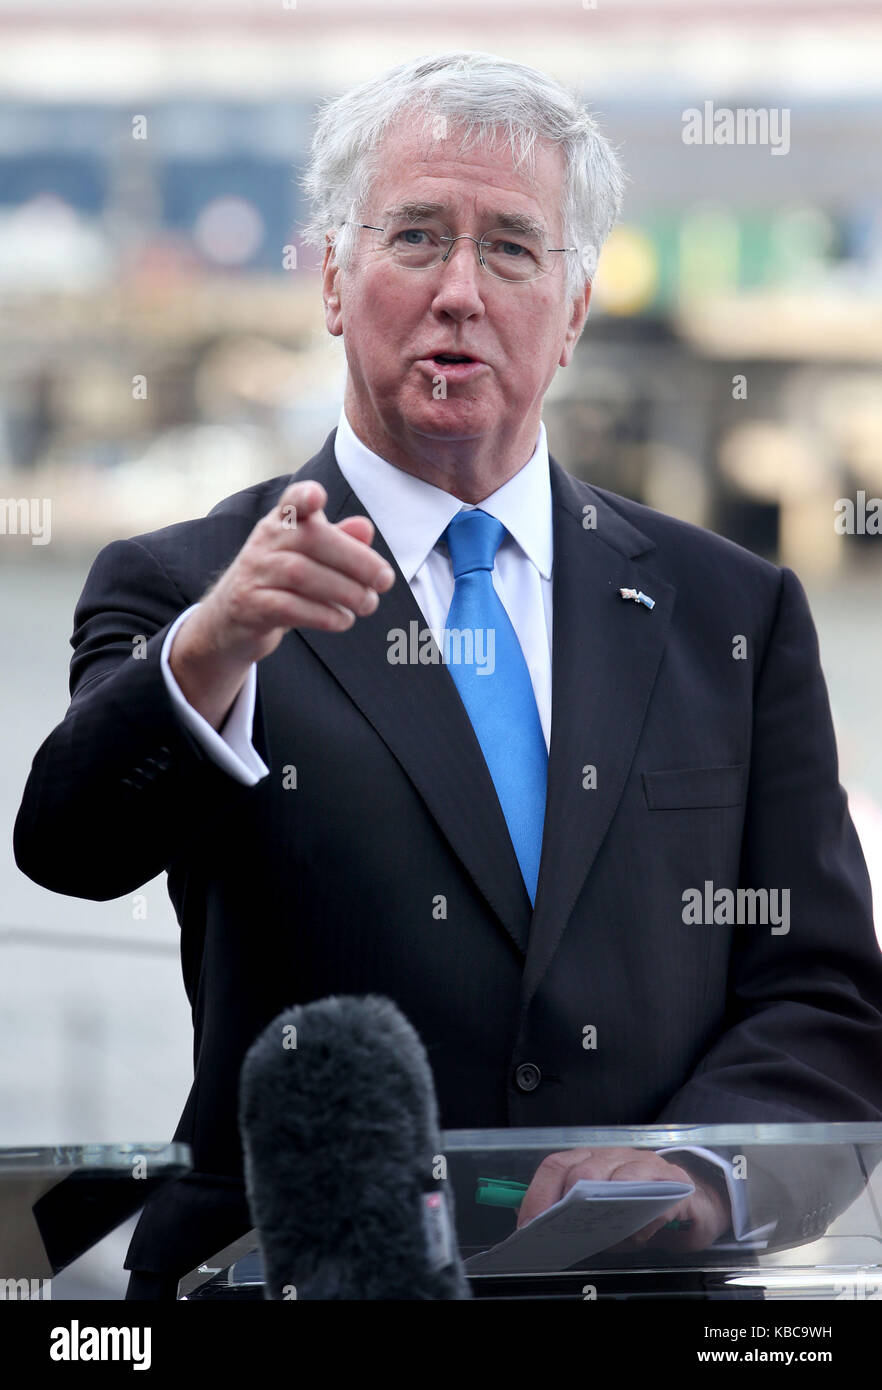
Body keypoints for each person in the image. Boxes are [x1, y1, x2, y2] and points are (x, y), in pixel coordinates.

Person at [14, 52, 882, 1300]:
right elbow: (70, 845)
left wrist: (693, 1175)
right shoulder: (190, 587)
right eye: (417, 237)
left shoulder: (732, 612)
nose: (461, 292)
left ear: (576, 309)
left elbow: (822, 990)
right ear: (329, 276)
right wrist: (211, 649)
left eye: (514, 250)